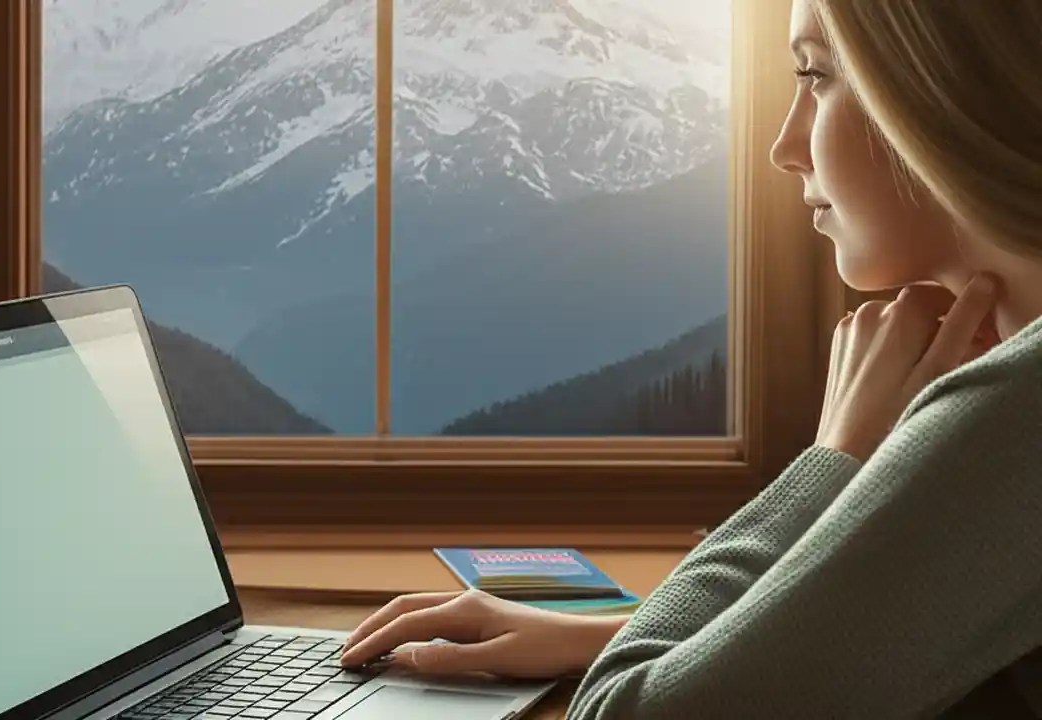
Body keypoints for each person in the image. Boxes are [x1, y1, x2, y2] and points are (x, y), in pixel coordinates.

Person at [337, 1, 1042, 717]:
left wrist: (836, 460)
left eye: (816, 75)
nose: (783, 143)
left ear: (944, 90)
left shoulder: (1021, 412)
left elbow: (622, 713)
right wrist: (626, 637)